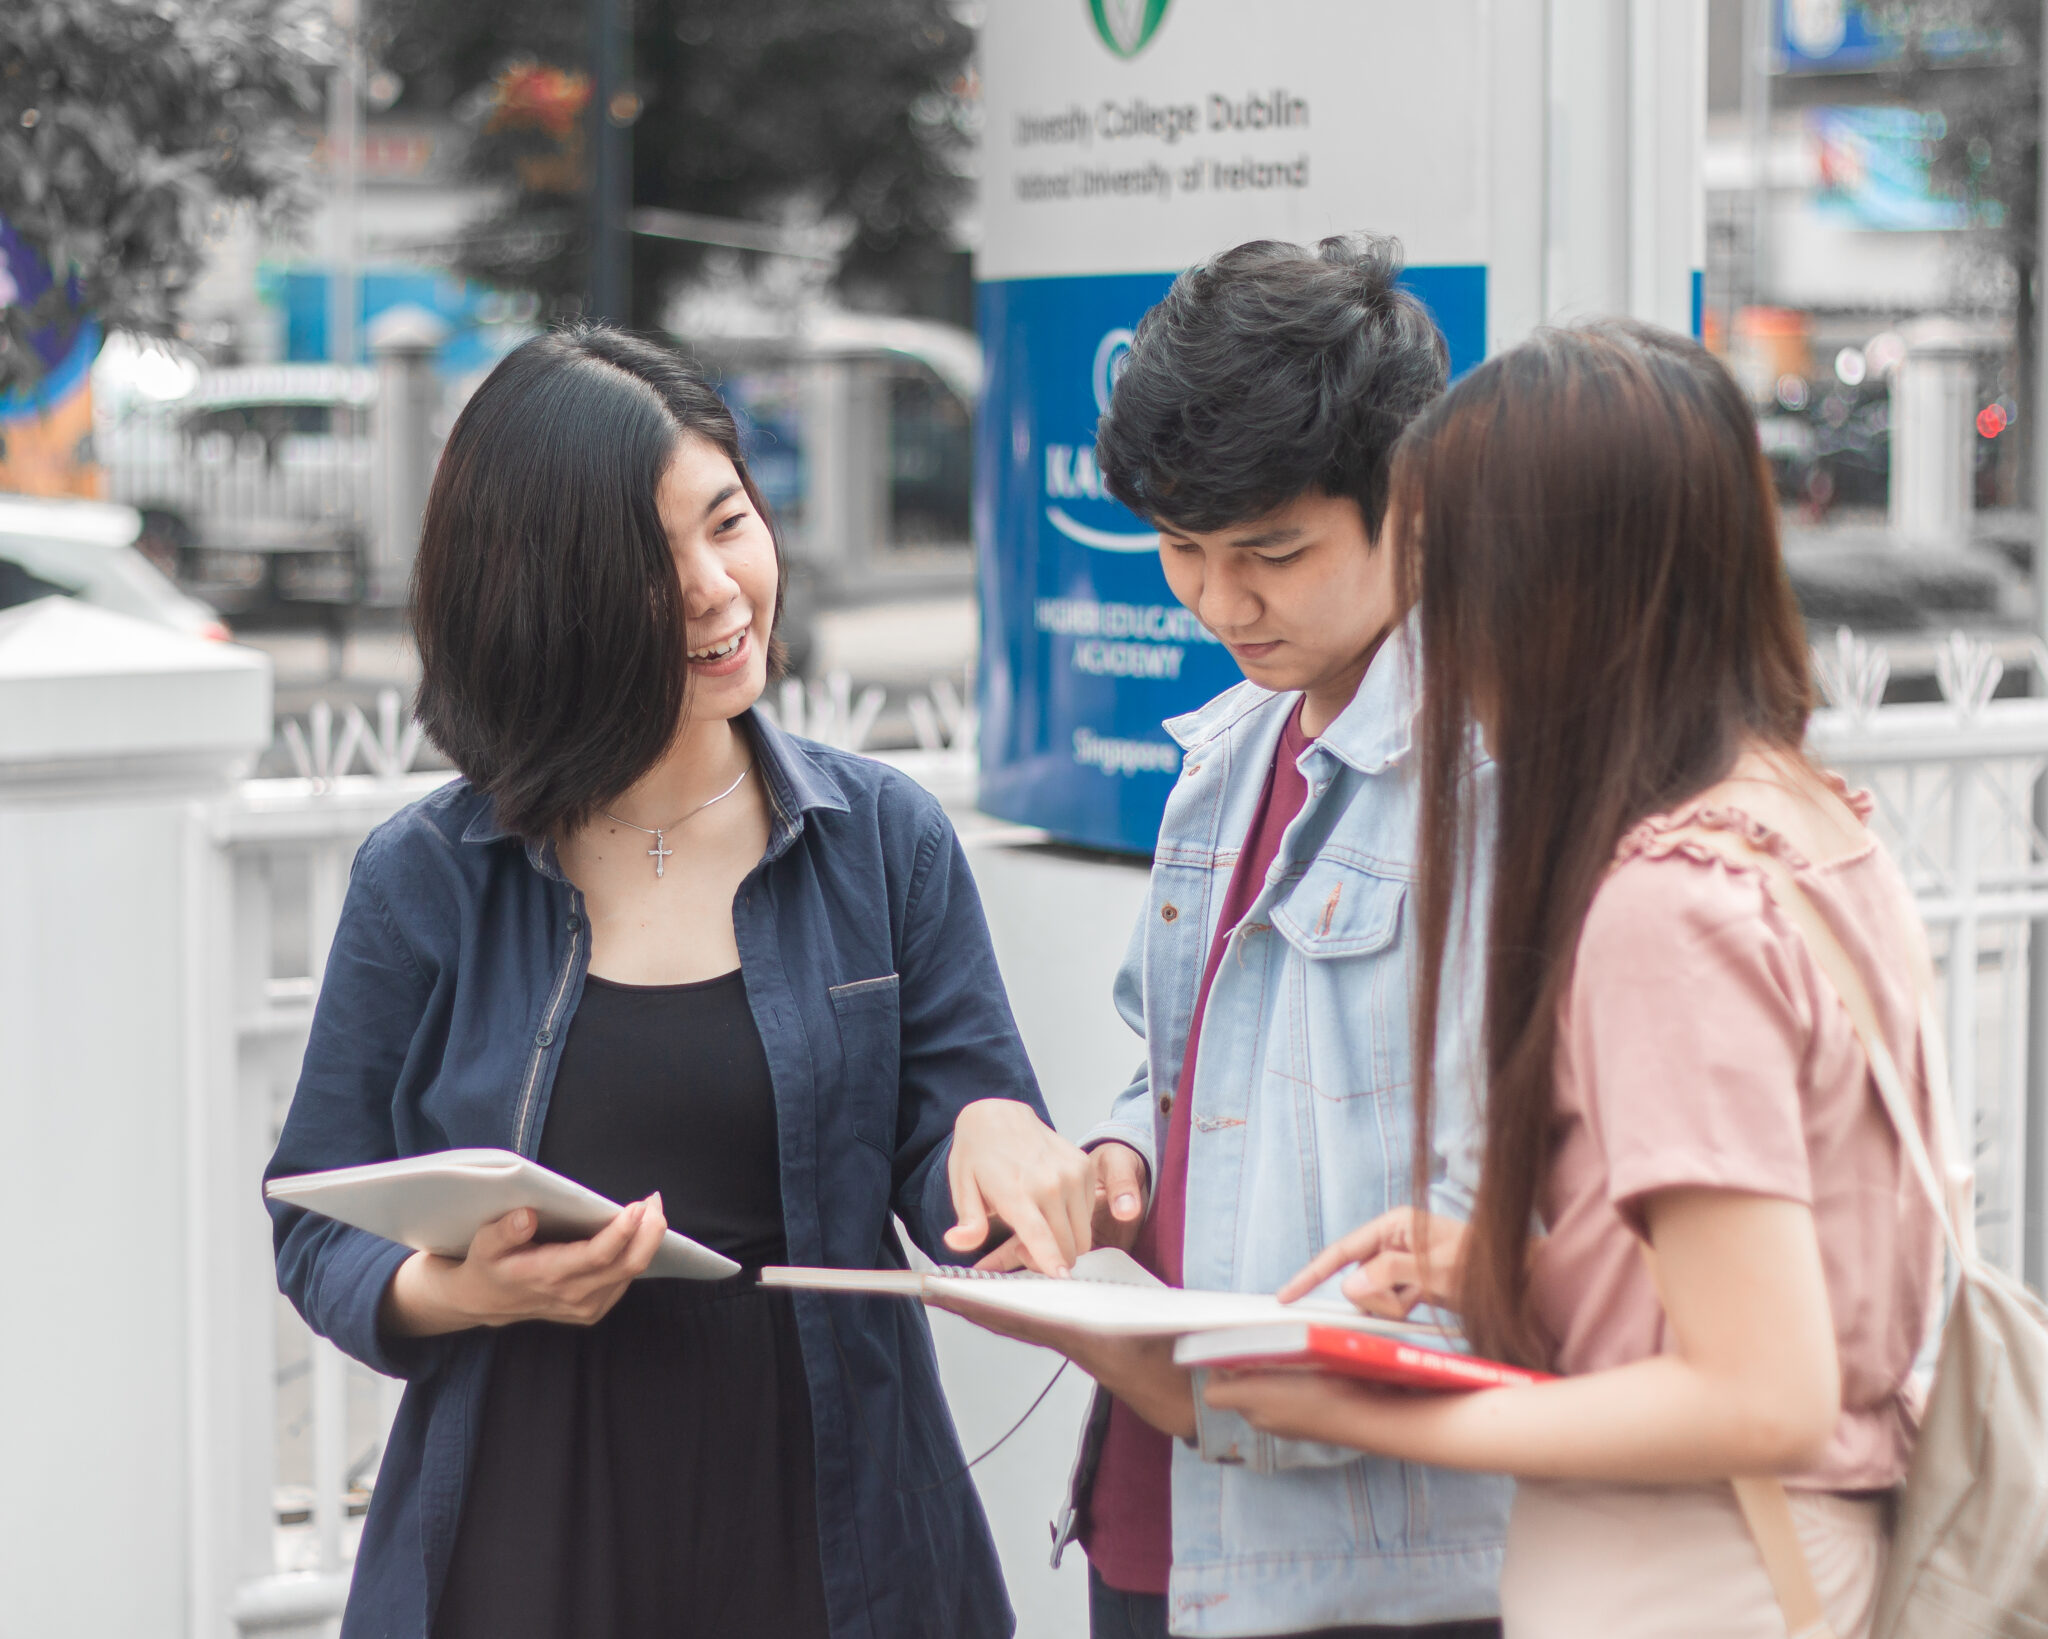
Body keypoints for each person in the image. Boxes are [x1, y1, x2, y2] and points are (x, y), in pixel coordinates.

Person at [264, 325, 1095, 1639]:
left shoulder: (880, 840)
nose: (718, 588)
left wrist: (995, 1136)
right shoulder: (427, 878)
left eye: (730, 522)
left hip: (831, 1515)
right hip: (528, 1517)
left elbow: (960, 1150)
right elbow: (315, 1224)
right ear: (543, 595)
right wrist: (459, 1289)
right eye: (655, 563)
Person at [1204, 323, 1946, 1639]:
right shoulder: (1803, 820)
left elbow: (1763, 1393)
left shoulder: (1669, 908)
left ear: (1553, 580)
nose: (1433, 616)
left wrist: (1376, 1410)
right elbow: (1801, 1265)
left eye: (1452, 566)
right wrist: (1526, 1271)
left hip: (1695, 1571)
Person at [945, 236, 1510, 1638]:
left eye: (1271, 553)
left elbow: (1489, 1248)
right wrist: (1123, 1163)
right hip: (1160, 1521)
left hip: (1370, 1563)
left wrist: (1183, 1384)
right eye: (1182, 551)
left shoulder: (1490, 789)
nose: (1217, 602)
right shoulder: (1231, 752)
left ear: (1417, 509)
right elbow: (1182, 1070)